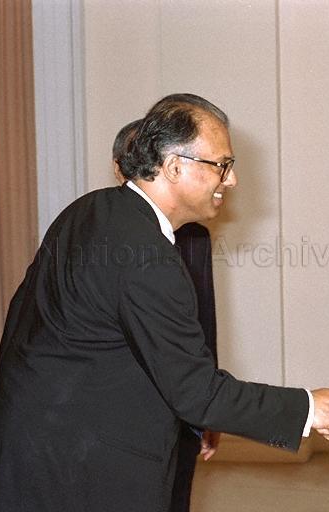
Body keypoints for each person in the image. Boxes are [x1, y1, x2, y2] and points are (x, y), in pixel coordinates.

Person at [0, 93, 329, 512]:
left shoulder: (91, 209)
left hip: (27, 445)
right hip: (67, 469)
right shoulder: (147, 258)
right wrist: (309, 407)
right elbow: (196, 393)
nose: (232, 181)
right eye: (222, 165)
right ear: (174, 166)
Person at [112, 118, 219, 512]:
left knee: (176, 495)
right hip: (124, 411)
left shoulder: (193, 236)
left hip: (185, 400)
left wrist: (209, 412)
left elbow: (203, 322)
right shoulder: (106, 234)